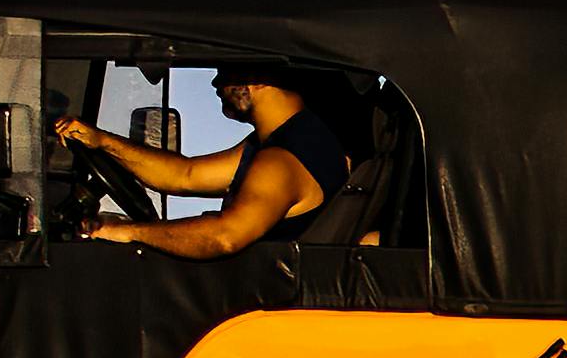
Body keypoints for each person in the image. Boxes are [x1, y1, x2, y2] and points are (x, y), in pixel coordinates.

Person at [53, 66, 374, 262]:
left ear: (258, 79)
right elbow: (184, 175)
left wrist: (129, 232)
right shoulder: (289, 140)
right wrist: (103, 141)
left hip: (247, 306)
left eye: (227, 70)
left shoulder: (282, 160)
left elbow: (224, 236)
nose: (216, 83)